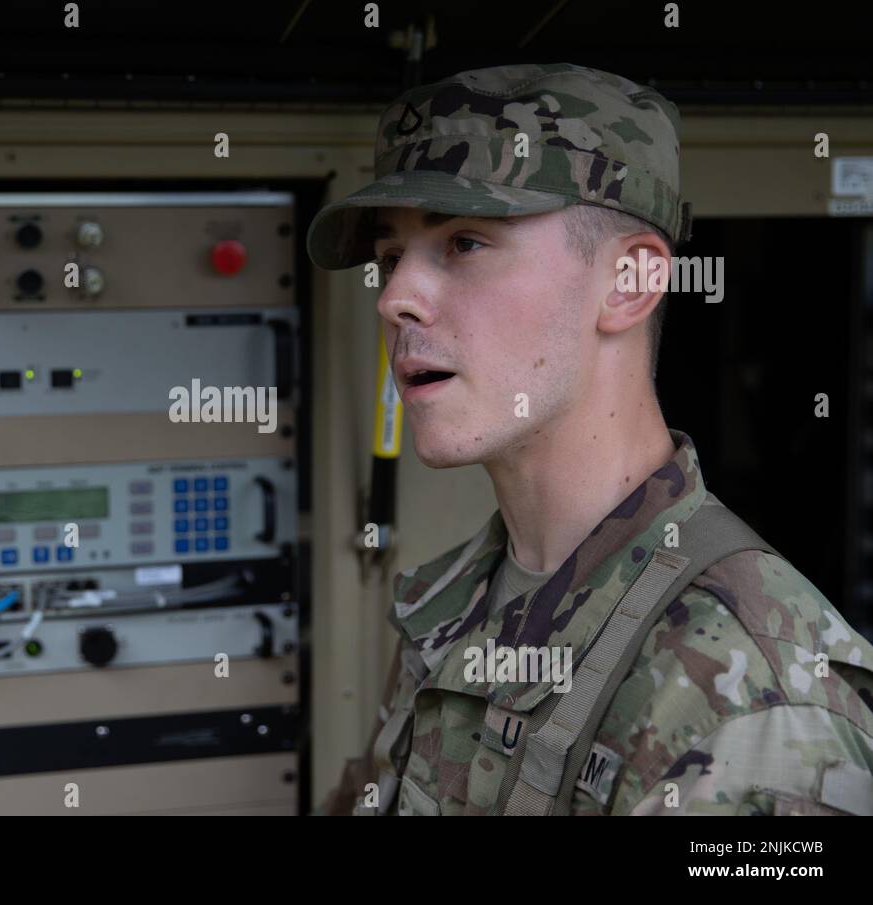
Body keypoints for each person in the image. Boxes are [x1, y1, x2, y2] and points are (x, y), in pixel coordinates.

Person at [306, 62, 873, 815]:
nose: (397, 298)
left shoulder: (755, 699)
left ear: (631, 282)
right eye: (389, 259)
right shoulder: (448, 605)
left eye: (465, 243)